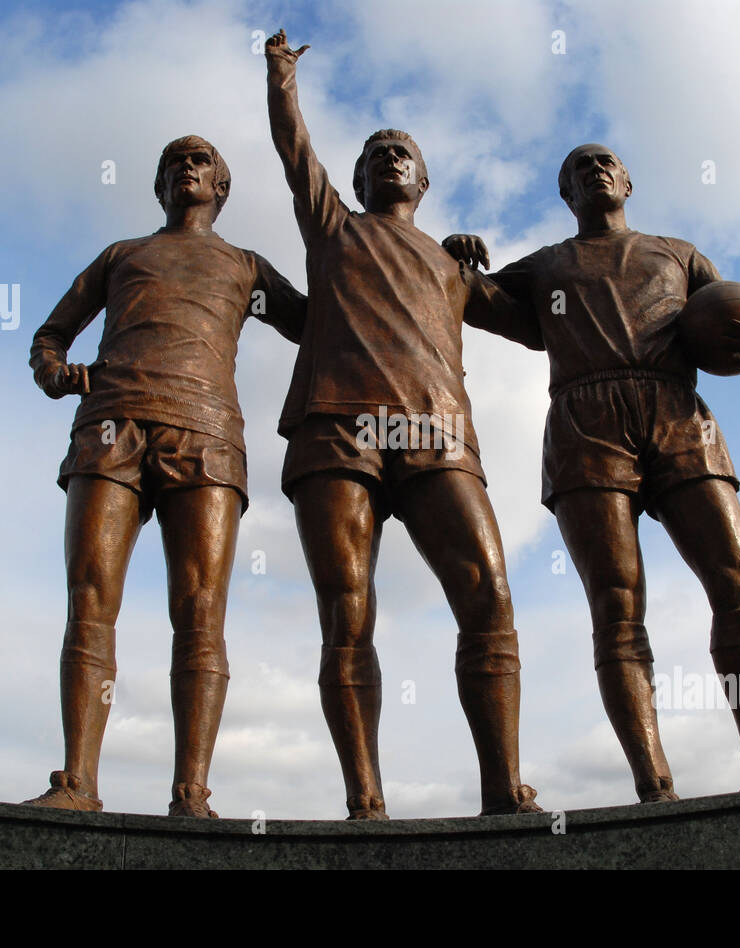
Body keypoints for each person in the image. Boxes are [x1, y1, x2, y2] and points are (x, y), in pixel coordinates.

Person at [446, 143, 740, 801]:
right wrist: (455, 257)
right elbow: (474, 298)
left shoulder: (678, 252)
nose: (595, 171)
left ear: (629, 181)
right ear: (566, 194)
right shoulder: (550, 264)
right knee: (617, 605)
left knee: (739, 578)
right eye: (579, 169)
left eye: (605, 162)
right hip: (586, 423)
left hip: (675, 411)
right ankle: (654, 782)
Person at [264, 29, 541, 819]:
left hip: (436, 432)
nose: (389, 156)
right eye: (375, 151)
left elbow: (534, 323)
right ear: (354, 178)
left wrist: (496, 267)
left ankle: (501, 789)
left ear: (424, 178)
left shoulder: (453, 265)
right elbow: (293, 149)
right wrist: (282, 78)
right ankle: (366, 801)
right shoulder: (333, 227)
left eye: (402, 150)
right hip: (337, 428)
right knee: (346, 613)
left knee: (488, 593)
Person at [23, 135, 306, 816]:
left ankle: (192, 792)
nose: (187, 167)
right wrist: (55, 372)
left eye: (200, 160)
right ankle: (78, 782)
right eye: (174, 162)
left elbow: (319, 325)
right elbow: (50, 333)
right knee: (91, 598)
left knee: (201, 608)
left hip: (205, 433)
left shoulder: (246, 267)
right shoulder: (122, 256)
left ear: (222, 187)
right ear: (158, 186)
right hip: (111, 426)